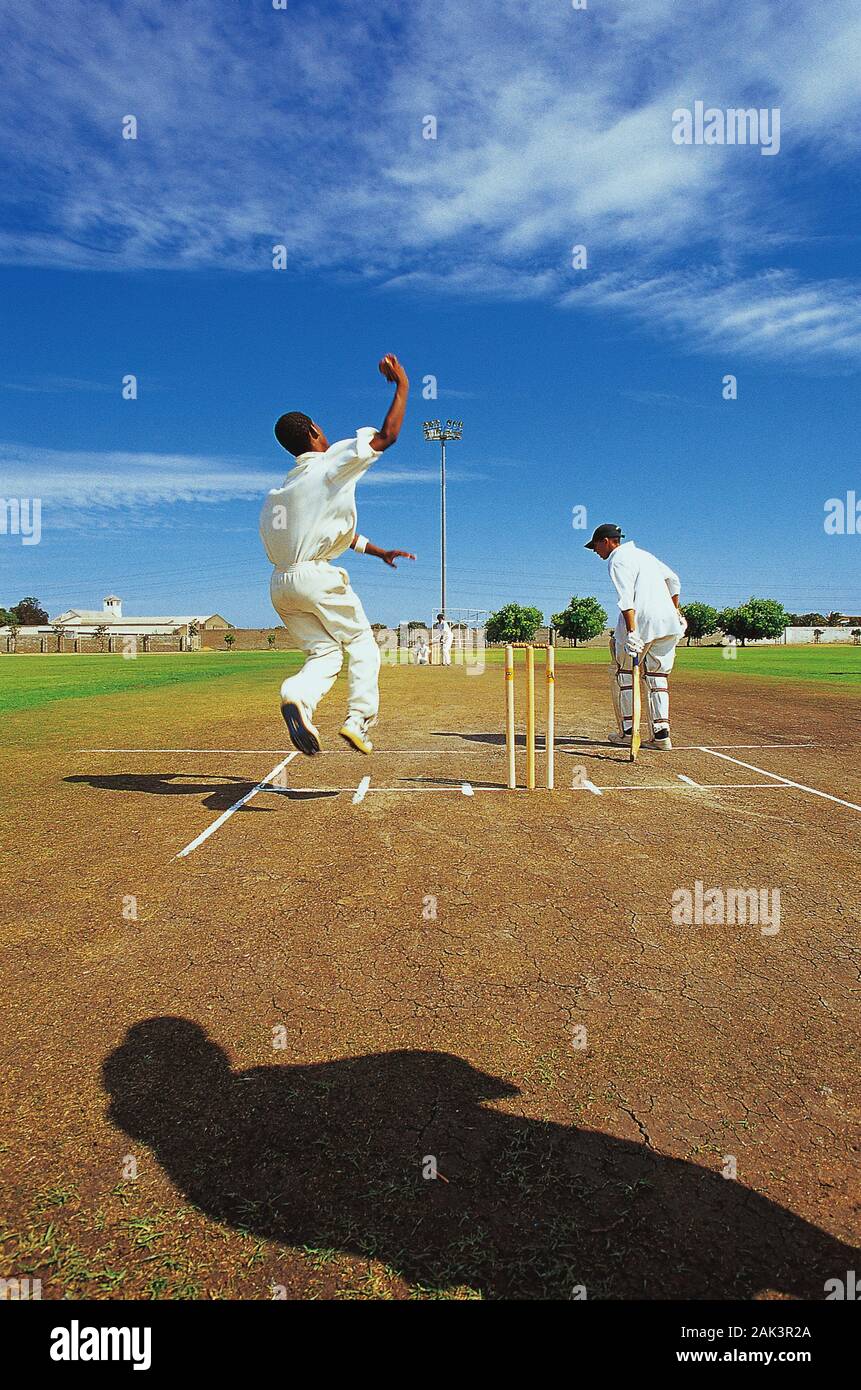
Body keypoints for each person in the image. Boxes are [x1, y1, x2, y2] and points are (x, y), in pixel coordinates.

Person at [260, 354, 414, 756]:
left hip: (280, 585)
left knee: (324, 653)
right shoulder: (329, 465)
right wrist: (402, 385)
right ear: (314, 431)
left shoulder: (280, 494)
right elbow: (387, 436)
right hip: (315, 577)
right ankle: (358, 720)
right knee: (361, 643)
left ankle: (297, 697)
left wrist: (377, 551)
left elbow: (330, 534)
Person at [584, 523, 686, 750]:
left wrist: (631, 632)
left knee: (624, 674)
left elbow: (626, 599)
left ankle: (629, 732)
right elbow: (674, 581)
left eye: (595, 547)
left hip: (641, 622)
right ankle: (661, 735)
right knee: (657, 676)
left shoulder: (617, 559)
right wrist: (675, 611)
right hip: (669, 622)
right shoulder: (646, 556)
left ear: (606, 541)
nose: (595, 552)